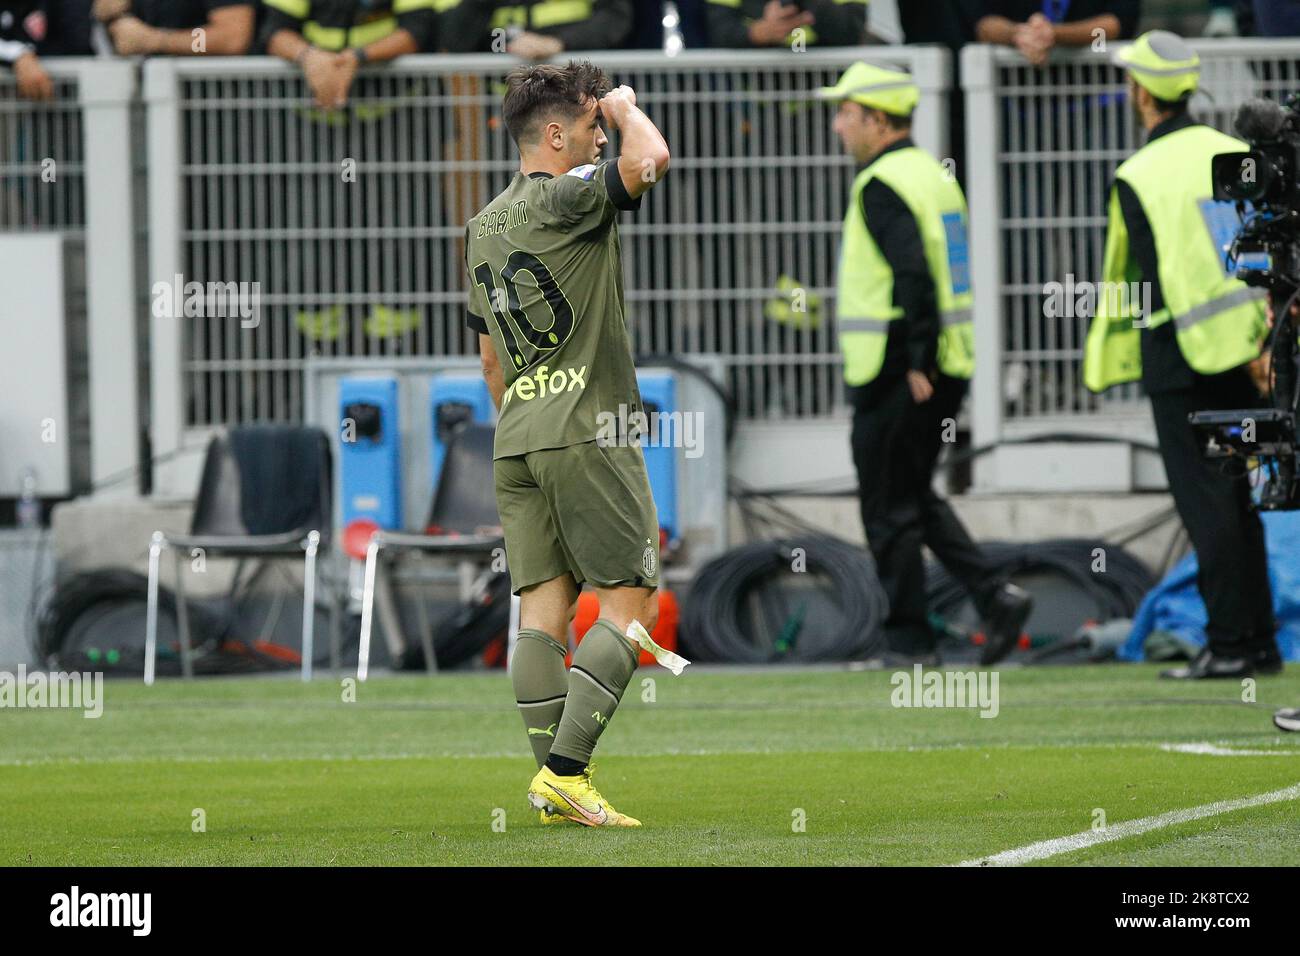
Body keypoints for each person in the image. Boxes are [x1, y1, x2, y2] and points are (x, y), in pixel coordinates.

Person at [464, 61, 676, 827]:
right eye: (586, 129)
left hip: (516, 437)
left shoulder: (481, 226)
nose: (597, 140)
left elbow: (489, 358)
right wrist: (624, 106)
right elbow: (649, 159)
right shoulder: (567, 197)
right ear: (553, 134)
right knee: (627, 601)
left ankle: (558, 786)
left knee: (542, 616)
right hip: (587, 428)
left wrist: (523, 418)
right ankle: (565, 770)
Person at [817, 61, 1033, 667]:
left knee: (887, 507)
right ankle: (995, 597)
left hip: (896, 370)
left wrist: (915, 357)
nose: (839, 125)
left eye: (847, 112)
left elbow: (913, 274)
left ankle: (909, 643)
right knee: (912, 496)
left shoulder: (883, 183)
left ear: (877, 119)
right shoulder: (934, 177)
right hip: (942, 363)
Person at [1083, 31, 1281, 680]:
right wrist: (1262, 336)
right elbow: (1266, 250)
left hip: (1180, 358)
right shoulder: (1230, 151)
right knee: (1243, 497)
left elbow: (1145, 279)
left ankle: (1228, 645)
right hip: (1251, 351)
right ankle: (1256, 643)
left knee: (1207, 504)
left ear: (1141, 93)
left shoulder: (1137, 174)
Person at [261, 0, 468, 109]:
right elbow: (274, 31)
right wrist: (310, 57)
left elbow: (417, 31)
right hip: (315, 120)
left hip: (399, 117)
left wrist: (358, 57)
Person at [974, 0, 1137, 66]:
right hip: (1020, 103)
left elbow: (1114, 26)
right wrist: (1019, 34)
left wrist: (1054, 34)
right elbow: (984, 26)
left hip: (1095, 99)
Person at [0, 0, 93, 101]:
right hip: (23, 103)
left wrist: (28, 57)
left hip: (75, 97)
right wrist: (19, 54)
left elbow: (77, 44)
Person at [91, 0, 254, 56]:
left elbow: (232, 39)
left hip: (208, 111)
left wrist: (160, 41)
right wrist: (103, 16)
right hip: (138, 113)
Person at [482, 0, 633, 59]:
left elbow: (613, 20)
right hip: (508, 104)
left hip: (577, 99)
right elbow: (469, 40)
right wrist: (508, 43)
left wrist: (560, 41)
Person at [706, 0, 868, 48]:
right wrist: (757, 33)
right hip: (760, 101)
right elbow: (717, 33)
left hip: (834, 100)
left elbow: (856, 30)